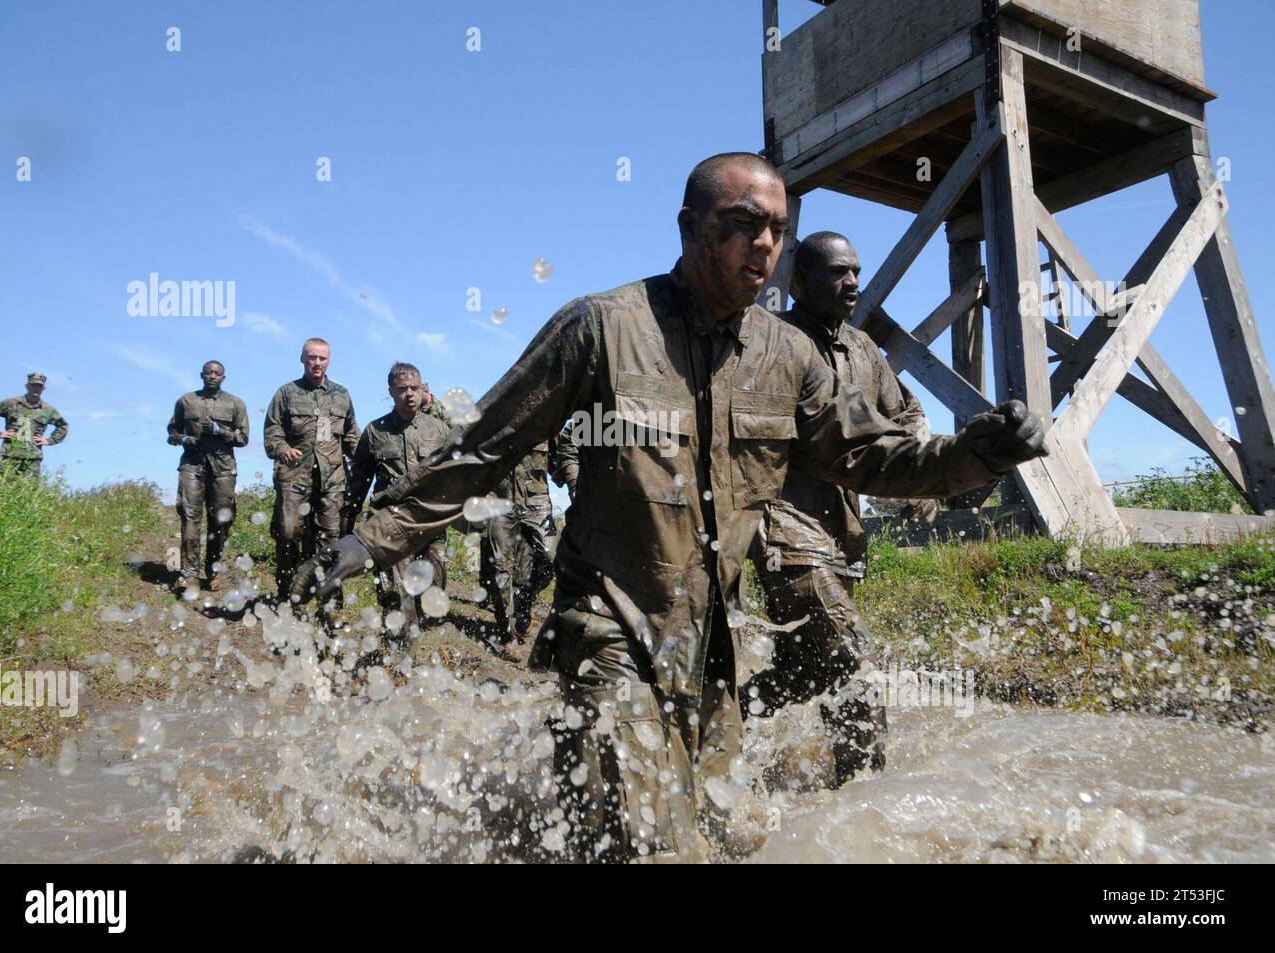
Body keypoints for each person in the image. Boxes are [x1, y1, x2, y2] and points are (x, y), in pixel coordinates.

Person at [290, 152, 1047, 862]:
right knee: (656, 842)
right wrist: (371, 539)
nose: (765, 244)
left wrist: (975, 452)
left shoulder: (789, 358)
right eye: (743, 224)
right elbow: (481, 449)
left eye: (777, 229)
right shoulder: (603, 329)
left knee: (724, 834)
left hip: (711, 649)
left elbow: (867, 454)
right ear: (690, 228)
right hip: (609, 630)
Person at [744, 231, 931, 785]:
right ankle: (862, 793)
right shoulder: (768, 343)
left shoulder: (865, 350)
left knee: (807, 668)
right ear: (799, 283)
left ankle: (712, 722)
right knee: (852, 656)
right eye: (836, 272)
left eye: (855, 271)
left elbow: (905, 412)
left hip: (843, 534)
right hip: (782, 525)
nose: (851, 282)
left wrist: (923, 474)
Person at [344, 362, 451, 633]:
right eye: (402, 389)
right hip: (389, 521)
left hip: (429, 520)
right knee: (396, 591)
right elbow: (359, 482)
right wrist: (348, 525)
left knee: (432, 584)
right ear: (391, 391)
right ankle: (399, 652)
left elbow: (454, 475)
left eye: (415, 388)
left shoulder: (440, 430)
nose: (410, 394)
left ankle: (419, 629)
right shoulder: (374, 432)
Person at [263, 338, 360, 600]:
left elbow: (351, 435)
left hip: (332, 480)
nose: (317, 363)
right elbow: (272, 431)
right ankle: (287, 591)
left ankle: (328, 598)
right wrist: (283, 449)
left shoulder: (341, 395)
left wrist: (365, 460)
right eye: (312, 357)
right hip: (295, 477)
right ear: (302, 359)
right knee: (289, 533)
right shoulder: (286, 393)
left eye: (322, 358)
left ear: (329, 360)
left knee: (330, 538)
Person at [166, 361, 249, 591]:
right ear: (201, 375)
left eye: (217, 373)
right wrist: (183, 439)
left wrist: (219, 431)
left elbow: (243, 438)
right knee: (190, 516)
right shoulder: (186, 401)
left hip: (222, 468)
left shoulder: (235, 403)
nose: (212, 376)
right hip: (193, 465)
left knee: (221, 520)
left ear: (224, 377)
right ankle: (189, 572)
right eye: (209, 373)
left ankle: (213, 570)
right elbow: (172, 432)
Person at [479, 444, 556, 645]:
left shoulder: (549, 421)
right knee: (500, 568)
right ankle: (507, 634)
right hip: (499, 501)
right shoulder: (499, 418)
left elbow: (562, 459)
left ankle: (523, 608)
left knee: (550, 558)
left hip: (536, 502)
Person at [0, 373, 68, 479]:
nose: (36, 388)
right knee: (5, 490)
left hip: (32, 458)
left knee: (30, 491)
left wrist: (49, 440)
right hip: (10, 454)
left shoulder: (48, 410)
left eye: (39, 386)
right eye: (34, 385)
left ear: (43, 388)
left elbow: (63, 426)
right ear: (27, 386)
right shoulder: (11, 403)